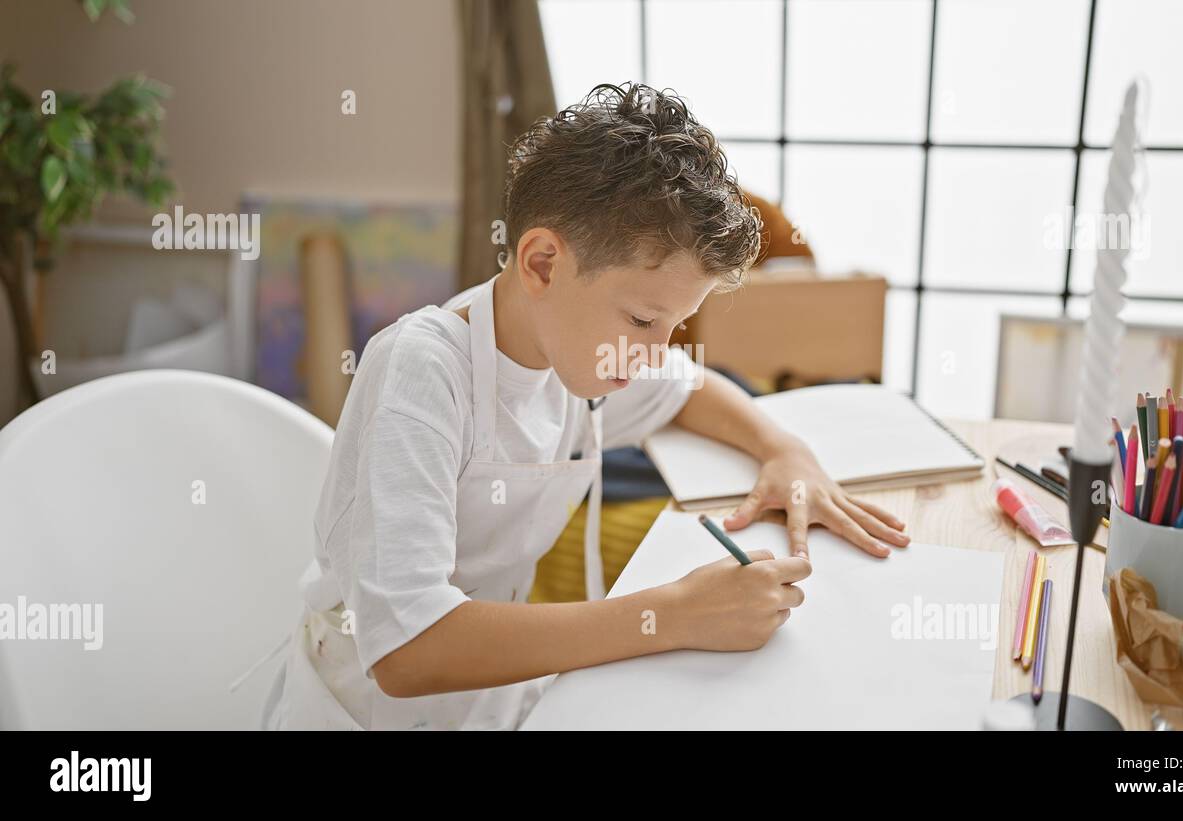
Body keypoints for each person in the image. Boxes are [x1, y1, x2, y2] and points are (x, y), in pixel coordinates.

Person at [261, 82, 908, 730]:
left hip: (491, 699)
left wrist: (785, 451)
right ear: (542, 262)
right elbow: (408, 649)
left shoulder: (569, 347)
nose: (658, 352)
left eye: (675, 325)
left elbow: (688, 388)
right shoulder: (422, 374)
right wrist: (673, 613)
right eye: (643, 319)